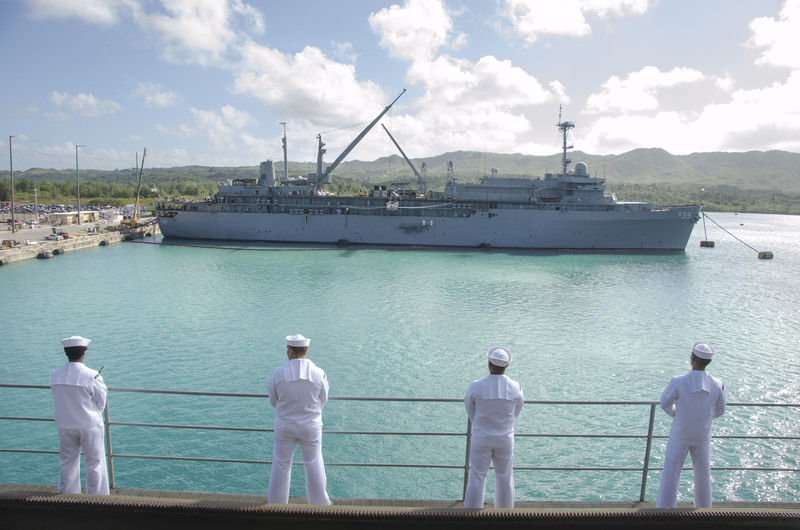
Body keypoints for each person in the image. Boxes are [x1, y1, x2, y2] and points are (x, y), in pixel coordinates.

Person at [656, 341, 726, 508]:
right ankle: (704, 510)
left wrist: (676, 414)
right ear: (708, 362)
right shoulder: (717, 384)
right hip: (702, 436)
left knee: (671, 474)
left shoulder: (678, 382)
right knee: (703, 476)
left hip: (680, 434)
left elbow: (665, 403)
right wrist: (706, 418)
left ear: (692, 358)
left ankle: (665, 510)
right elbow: (721, 410)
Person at [267, 334, 332, 505]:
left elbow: (273, 400)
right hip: (311, 427)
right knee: (313, 464)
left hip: (284, 426)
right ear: (305, 350)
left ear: (291, 351)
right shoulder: (319, 374)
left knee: (281, 465)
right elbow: (323, 400)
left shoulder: (278, 373)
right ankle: (320, 505)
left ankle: (276, 504)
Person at [463, 347, 524, 509]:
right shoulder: (516, 387)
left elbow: (469, 408)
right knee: (505, 476)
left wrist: (478, 423)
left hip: (481, 438)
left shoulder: (476, 386)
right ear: (507, 366)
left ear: (489, 364)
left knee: (477, 476)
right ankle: (505, 514)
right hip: (505, 438)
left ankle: (471, 514)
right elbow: (517, 410)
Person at [50, 335, 109, 495]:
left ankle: (67, 495)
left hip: (64, 425)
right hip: (89, 425)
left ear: (66, 352)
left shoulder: (55, 375)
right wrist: (94, 414)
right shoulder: (92, 376)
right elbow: (101, 400)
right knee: (95, 463)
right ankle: (97, 498)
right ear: (84, 353)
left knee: (67, 462)